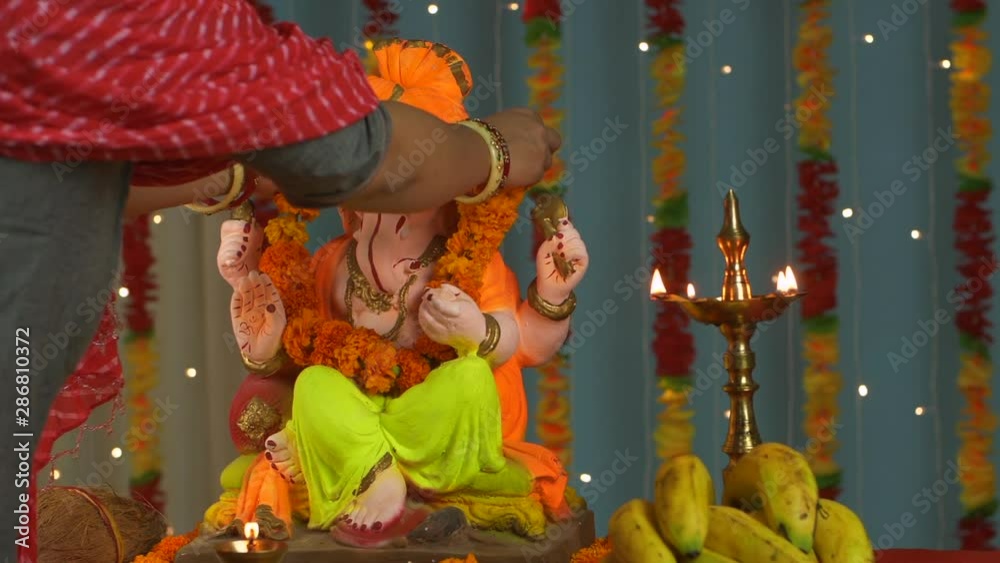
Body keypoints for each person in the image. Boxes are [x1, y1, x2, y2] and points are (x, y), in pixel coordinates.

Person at [0, 2, 561, 561]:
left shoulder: (464, 261)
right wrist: (489, 150)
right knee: (314, 385)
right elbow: (353, 154)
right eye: (370, 201)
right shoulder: (336, 259)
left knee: (469, 381)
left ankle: (385, 468)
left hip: (430, 416)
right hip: (25, 310)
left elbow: (99, 168)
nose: (384, 213)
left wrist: (496, 323)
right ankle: (370, 470)